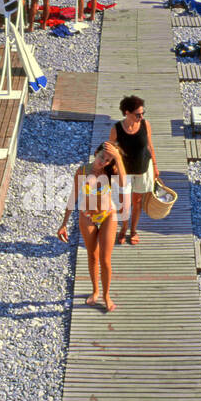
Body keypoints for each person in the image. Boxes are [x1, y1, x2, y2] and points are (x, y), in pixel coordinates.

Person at [56, 141, 128, 312]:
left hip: (107, 215)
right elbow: (73, 196)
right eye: (102, 157)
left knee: (105, 259)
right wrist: (64, 223)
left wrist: (117, 158)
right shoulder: (82, 171)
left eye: (108, 160)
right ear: (96, 152)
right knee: (92, 255)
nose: (103, 162)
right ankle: (95, 290)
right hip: (87, 215)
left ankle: (106, 295)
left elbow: (124, 185)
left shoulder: (110, 171)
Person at [109, 95, 160, 246]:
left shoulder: (145, 125)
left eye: (143, 113)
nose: (141, 117)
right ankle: (124, 228)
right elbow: (110, 150)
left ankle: (133, 230)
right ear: (127, 113)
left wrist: (156, 166)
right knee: (125, 204)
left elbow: (150, 146)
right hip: (124, 172)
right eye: (138, 114)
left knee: (137, 202)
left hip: (143, 169)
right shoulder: (116, 129)